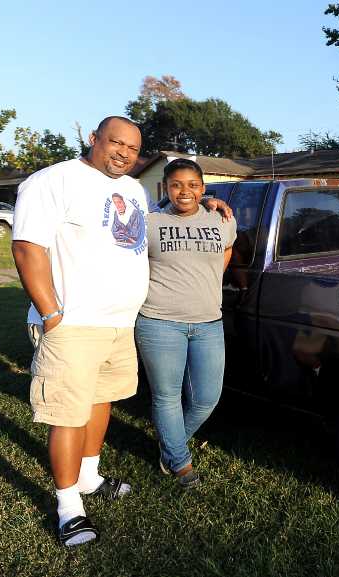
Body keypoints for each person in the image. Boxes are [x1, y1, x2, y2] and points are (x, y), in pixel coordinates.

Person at [11, 116, 229, 547]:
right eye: (116, 143)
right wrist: (51, 313)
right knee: (68, 414)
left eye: (133, 148)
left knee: (100, 401)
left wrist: (207, 200)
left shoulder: (133, 189)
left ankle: (89, 477)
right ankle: (69, 508)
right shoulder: (53, 181)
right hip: (73, 323)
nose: (124, 153)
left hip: (121, 322)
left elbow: (169, 213)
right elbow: (27, 247)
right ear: (93, 139)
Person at [134, 158, 236, 489]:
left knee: (207, 398)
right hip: (159, 322)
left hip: (208, 323)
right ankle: (179, 463)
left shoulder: (221, 218)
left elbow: (228, 248)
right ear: (165, 188)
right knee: (167, 396)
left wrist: (209, 276)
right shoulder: (150, 222)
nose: (185, 191)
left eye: (193, 185)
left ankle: (170, 444)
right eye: (176, 185)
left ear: (203, 188)